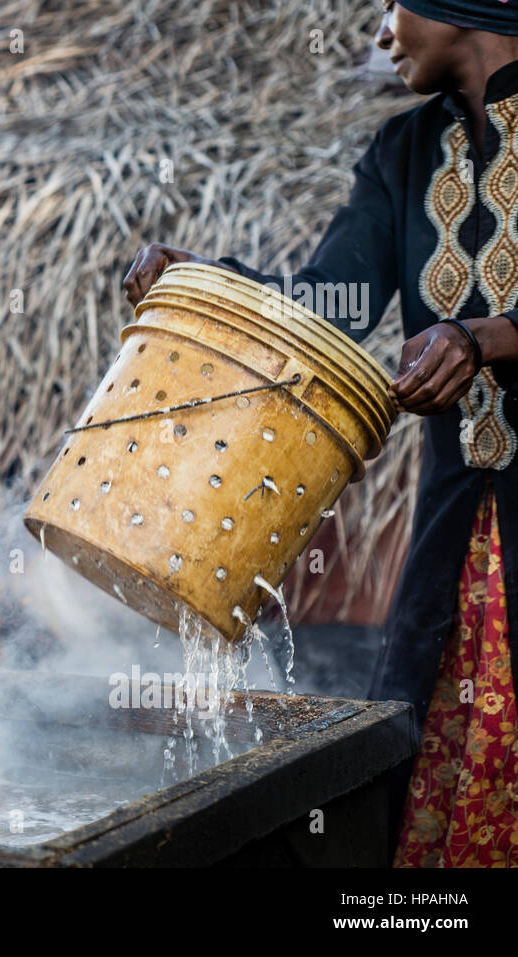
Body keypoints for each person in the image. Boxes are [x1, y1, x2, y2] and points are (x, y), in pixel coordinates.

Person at [124, 0, 518, 866]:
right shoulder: (404, 153)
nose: (381, 31)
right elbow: (327, 306)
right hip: (457, 540)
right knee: (416, 777)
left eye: (392, 6)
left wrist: (485, 336)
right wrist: (211, 283)